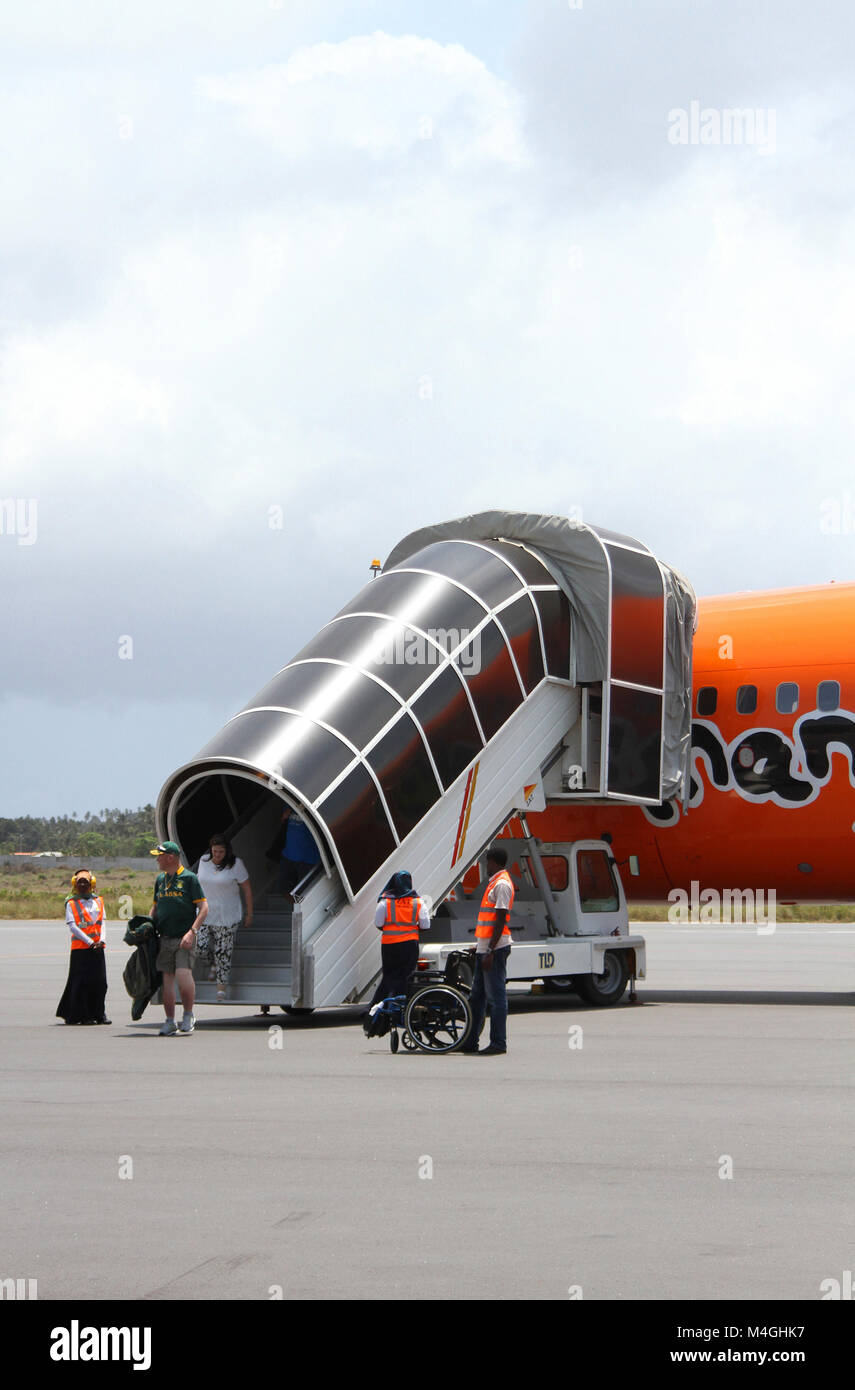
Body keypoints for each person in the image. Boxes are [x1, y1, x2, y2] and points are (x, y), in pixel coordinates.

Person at [150, 840, 207, 1035]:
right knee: (167, 981)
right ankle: (169, 1021)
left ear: (170, 857)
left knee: (183, 976)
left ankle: (188, 1014)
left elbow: (204, 908)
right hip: (165, 938)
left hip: (184, 938)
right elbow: (156, 906)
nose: (157, 860)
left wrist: (192, 932)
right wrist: (149, 924)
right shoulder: (160, 880)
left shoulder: (190, 879)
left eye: (160, 856)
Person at [462, 846, 515, 1055]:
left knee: (496, 997)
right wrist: (482, 945)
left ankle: (498, 1043)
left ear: (494, 862)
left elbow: (501, 918)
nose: (485, 865)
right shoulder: (495, 883)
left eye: (487, 862)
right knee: (477, 997)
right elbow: (489, 919)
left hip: (496, 948)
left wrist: (491, 949)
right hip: (486, 947)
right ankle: (470, 1041)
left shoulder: (502, 884)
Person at [195, 833, 253, 1001]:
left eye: (220, 852)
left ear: (226, 851)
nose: (217, 855)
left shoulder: (236, 865)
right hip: (205, 913)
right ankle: (212, 963)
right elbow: (198, 885)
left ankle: (221, 988)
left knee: (224, 952)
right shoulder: (204, 862)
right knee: (200, 947)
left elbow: (247, 889)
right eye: (215, 851)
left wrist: (250, 913)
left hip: (228, 915)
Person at [368, 870, 430, 1009]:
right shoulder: (418, 902)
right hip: (409, 946)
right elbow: (426, 925)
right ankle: (403, 1006)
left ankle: (379, 1007)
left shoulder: (385, 902)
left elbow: (378, 923)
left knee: (389, 976)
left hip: (389, 946)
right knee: (407, 977)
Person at [56, 868, 111, 1025]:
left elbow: (102, 923)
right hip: (81, 949)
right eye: (79, 882)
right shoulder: (71, 903)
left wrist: (102, 940)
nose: (82, 884)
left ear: (92, 883)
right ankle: (83, 1015)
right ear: (74, 884)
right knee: (82, 983)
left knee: (100, 982)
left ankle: (99, 1014)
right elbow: (73, 926)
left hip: (98, 947)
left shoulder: (98, 901)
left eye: (85, 881)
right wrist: (90, 942)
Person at [276, 808, 321, 895]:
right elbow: (283, 820)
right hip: (288, 854)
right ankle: (295, 906)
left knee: (304, 892)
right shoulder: (290, 804)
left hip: (307, 858)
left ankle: (299, 907)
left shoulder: (312, 804)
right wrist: (285, 816)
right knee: (281, 887)